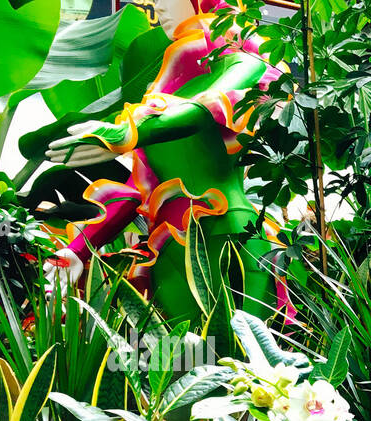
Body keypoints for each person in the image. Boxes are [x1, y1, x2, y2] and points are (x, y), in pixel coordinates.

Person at [44, 0, 290, 322]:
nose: (158, 5)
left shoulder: (244, 62)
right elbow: (140, 190)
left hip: (230, 235)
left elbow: (204, 111)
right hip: (169, 250)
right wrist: (77, 248)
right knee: (180, 365)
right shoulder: (166, 92)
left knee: (245, 362)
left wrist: (127, 134)